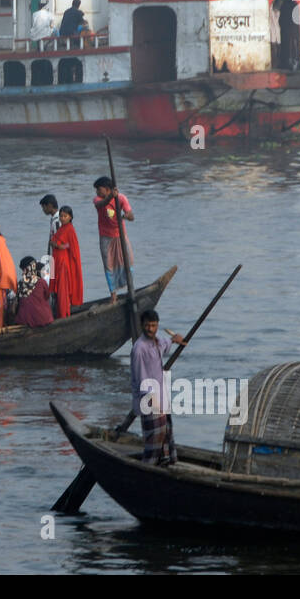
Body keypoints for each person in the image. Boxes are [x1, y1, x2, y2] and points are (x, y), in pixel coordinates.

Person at [130, 309, 185, 465]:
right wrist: (155, 405)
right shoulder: (139, 348)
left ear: (157, 326)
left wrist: (174, 339)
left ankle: (166, 463)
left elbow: (165, 344)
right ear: (142, 326)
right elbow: (142, 381)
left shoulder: (157, 341)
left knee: (167, 436)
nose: (150, 329)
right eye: (147, 326)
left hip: (162, 398)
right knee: (154, 440)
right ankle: (148, 468)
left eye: (153, 326)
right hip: (149, 401)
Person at [93, 175, 134, 302]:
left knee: (127, 261)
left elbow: (132, 216)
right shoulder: (97, 199)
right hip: (105, 237)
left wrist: (127, 216)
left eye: (99, 189)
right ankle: (113, 295)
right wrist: (111, 196)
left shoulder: (121, 198)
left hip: (120, 235)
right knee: (108, 265)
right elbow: (102, 203)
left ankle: (130, 289)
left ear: (106, 189)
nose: (97, 192)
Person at [48, 205, 83, 319]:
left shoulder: (70, 229)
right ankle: (60, 313)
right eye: (61, 216)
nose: (62, 218)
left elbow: (70, 245)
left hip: (63, 264)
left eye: (65, 216)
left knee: (63, 290)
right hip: (57, 262)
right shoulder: (62, 228)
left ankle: (64, 315)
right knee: (58, 291)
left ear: (70, 217)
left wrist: (58, 245)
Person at [14, 257, 53, 328]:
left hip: (24, 320)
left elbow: (18, 301)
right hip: (42, 319)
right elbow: (47, 296)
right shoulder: (41, 282)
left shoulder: (20, 283)